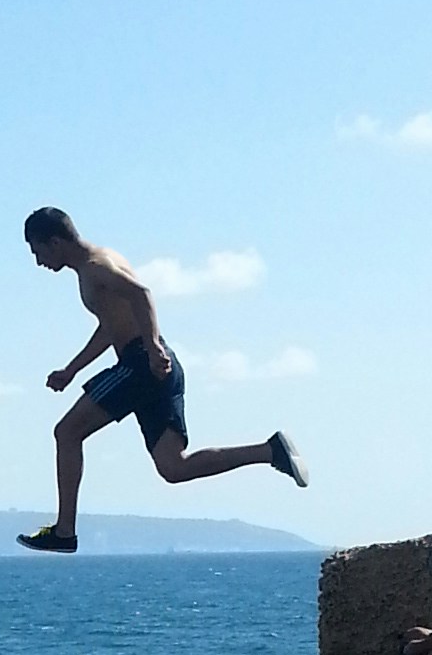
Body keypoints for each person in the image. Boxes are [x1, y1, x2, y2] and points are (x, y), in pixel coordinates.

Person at [15, 208, 307, 551]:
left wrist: (152, 346)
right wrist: (72, 369)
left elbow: (142, 294)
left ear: (55, 241)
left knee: (67, 432)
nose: (39, 262)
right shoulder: (99, 264)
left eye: (39, 251)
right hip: (157, 367)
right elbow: (111, 326)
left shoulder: (96, 268)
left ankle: (65, 532)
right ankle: (270, 451)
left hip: (142, 364)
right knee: (173, 467)